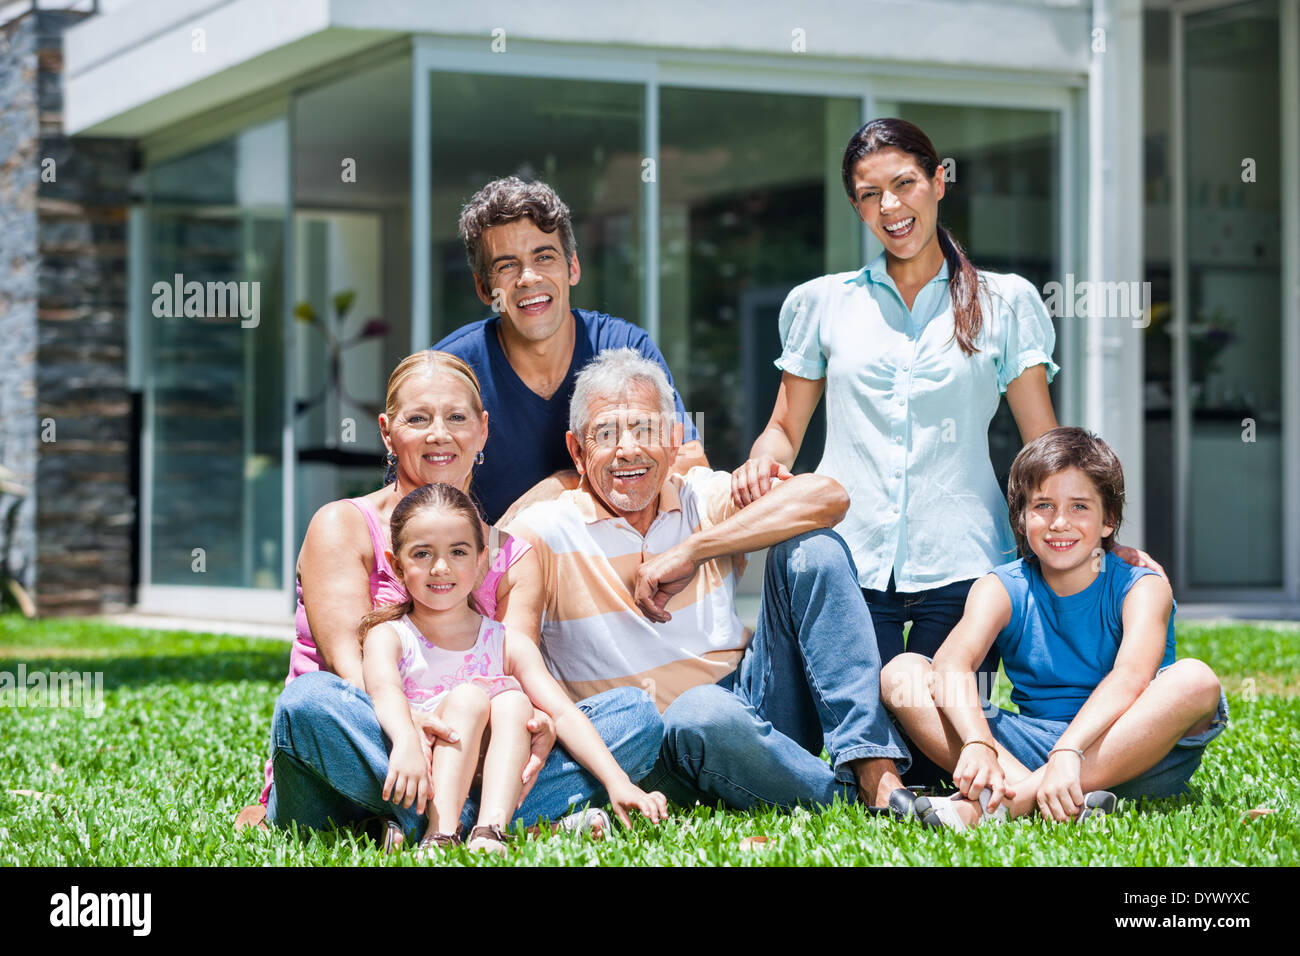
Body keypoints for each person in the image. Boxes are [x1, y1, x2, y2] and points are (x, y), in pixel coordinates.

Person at [732, 118, 1161, 783]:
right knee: (862, 758)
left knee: (936, 760)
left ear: (939, 183)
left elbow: (1042, 441)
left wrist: (1090, 521)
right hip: (849, 562)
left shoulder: (1004, 303)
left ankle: (1012, 782)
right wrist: (765, 457)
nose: (891, 207)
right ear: (856, 206)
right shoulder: (823, 304)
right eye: (870, 195)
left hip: (964, 565)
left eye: (905, 184)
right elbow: (784, 428)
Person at [250, 350, 663, 844]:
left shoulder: (513, 557)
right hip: (368, 742)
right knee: (307, 704)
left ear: (483, 429)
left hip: (481, 751)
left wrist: (533, 724)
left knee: (634, 718)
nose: (439, 434)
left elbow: (516, 680)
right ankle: (499, 820)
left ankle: (425, 825)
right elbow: (352, 672)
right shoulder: (342, 524)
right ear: (387, 431)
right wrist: (409, 729)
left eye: (457, 417)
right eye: (418, 419)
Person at [500, 348, 921, 818]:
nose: (628, 450)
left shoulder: (701, 494)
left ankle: (872, 766)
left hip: (754, 709)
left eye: (645, 430)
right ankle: (854, 805)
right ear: (577, 452)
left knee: (814, 551)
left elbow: (829, 498)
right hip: (654, 752)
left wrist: (694, 550)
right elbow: (509, 648)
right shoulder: (544, 532)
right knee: (698, 711)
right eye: (606, 435)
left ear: (674, 439)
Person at [879, 427, 1227, 830]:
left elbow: (1131, 677)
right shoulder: (1001, 587)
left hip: (1129, 748)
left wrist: (1070, 752)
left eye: (1080, 507)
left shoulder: (1142, 586)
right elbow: (952, 663)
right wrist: (978, 743)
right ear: (1022, 517)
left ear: (1108, 520)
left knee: (1195, 680)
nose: (1060, 522)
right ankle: (1058, 800)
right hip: (1030, 748)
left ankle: (1003, 805)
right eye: (1043, 505)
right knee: (902, 673)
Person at [359, 482, 668, 855]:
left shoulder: (505, 642)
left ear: (480, 561)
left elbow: (562, 712)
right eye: (422, 554)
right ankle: (440, 832)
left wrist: (618, 782)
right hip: (416, 778)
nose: (440, 568)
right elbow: (383, 693)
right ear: (396, 565)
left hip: (497, 782)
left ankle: (489, 831)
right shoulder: (389, 636)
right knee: (469, 700)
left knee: (520, 704)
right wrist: (407, 740)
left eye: (458, 552)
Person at [433, 176, 707, 525]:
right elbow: (407, 501)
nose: (528, 278)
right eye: (506, 265)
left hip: (609, 564)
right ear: (484, 288)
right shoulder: (450, 372)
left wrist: (561, 485)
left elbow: (689, 461)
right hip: (492, 569)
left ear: (572, 267)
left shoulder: (624, 348)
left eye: (544, 257)